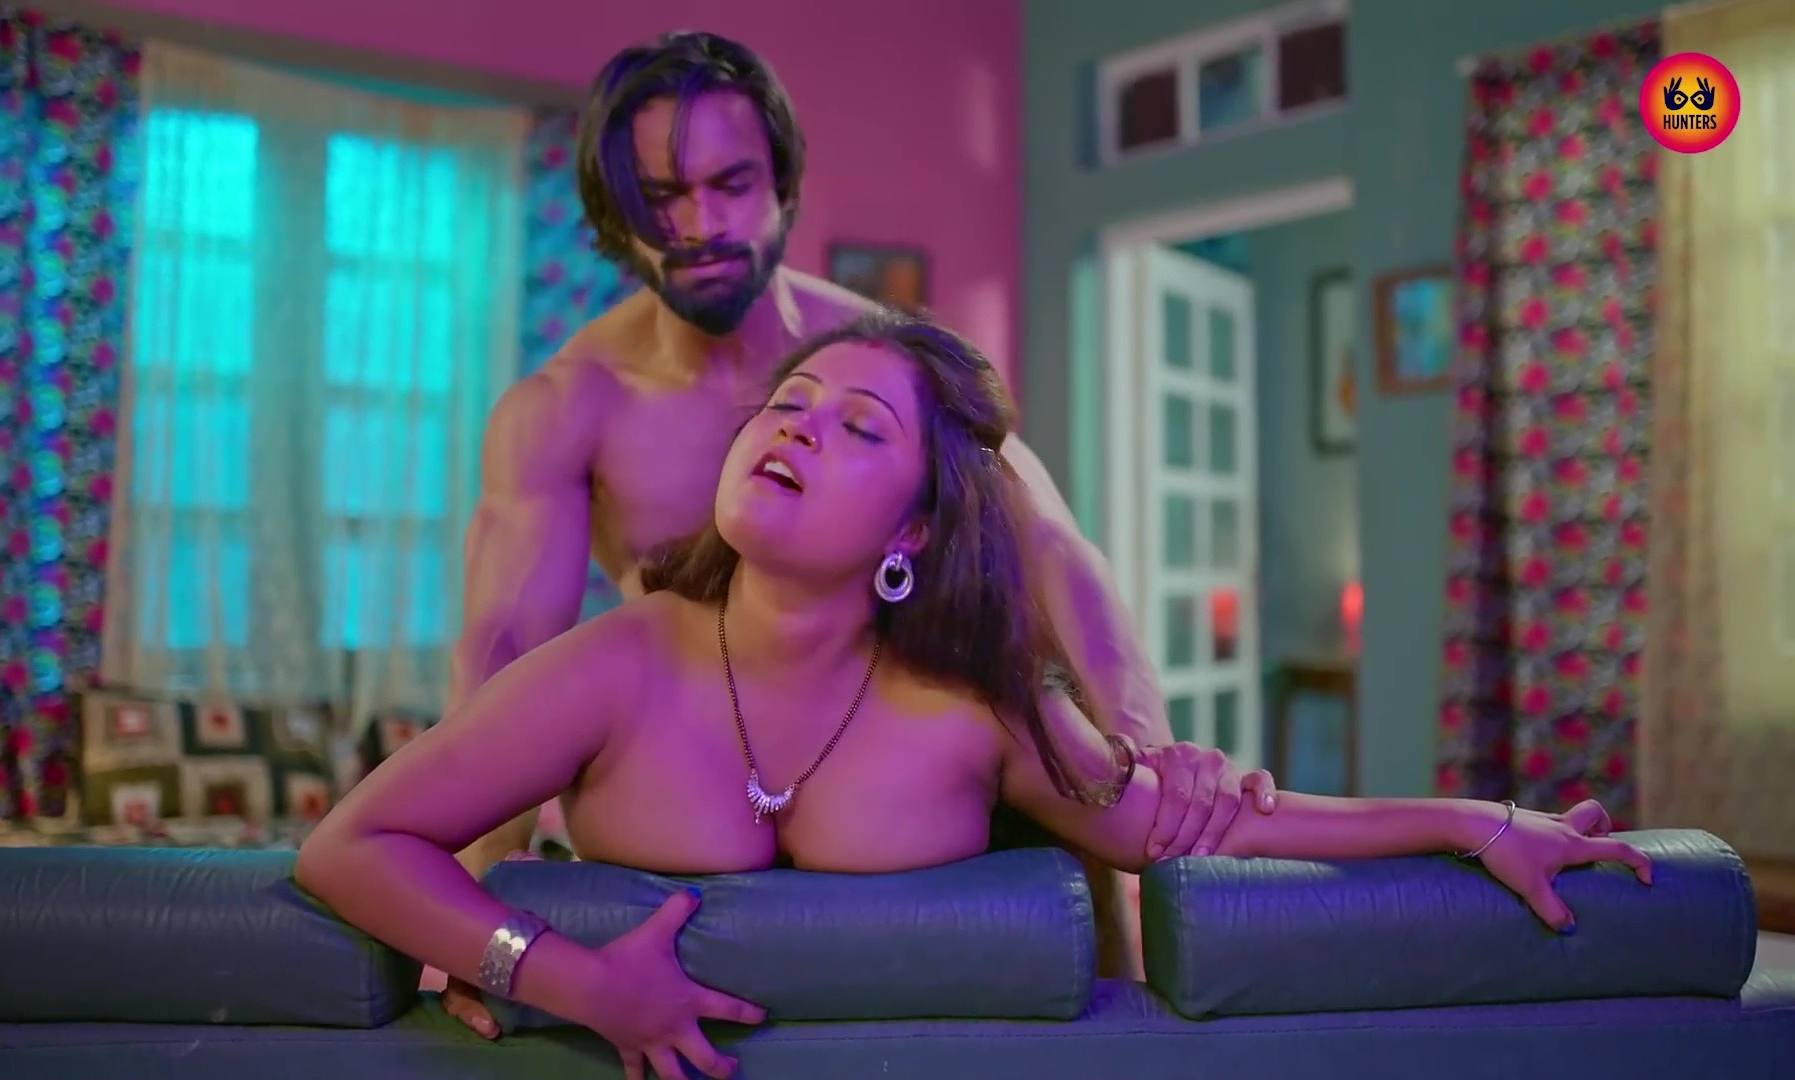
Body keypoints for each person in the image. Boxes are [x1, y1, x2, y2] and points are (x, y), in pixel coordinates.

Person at [297, 314, 1654, 1080]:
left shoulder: (974, 708)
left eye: (858, 427)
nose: (796, 424)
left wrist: (1476, 822)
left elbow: (1200, 829)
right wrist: (575, 980)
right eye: (790, 402)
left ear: (915, 533)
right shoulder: (621, 660)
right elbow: (351, 844)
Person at [445, 27, 1270, 987]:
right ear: (615, 213)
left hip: (903, 798)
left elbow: (1053, 553)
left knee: (1100, 918)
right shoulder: (568, 408)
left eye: (732, 183)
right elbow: (506, 655)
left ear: (783, 184)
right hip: (703, 810)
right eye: (662, 196)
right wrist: (472, 923)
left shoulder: (887, 359)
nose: (700, 222)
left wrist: (1146, 770)